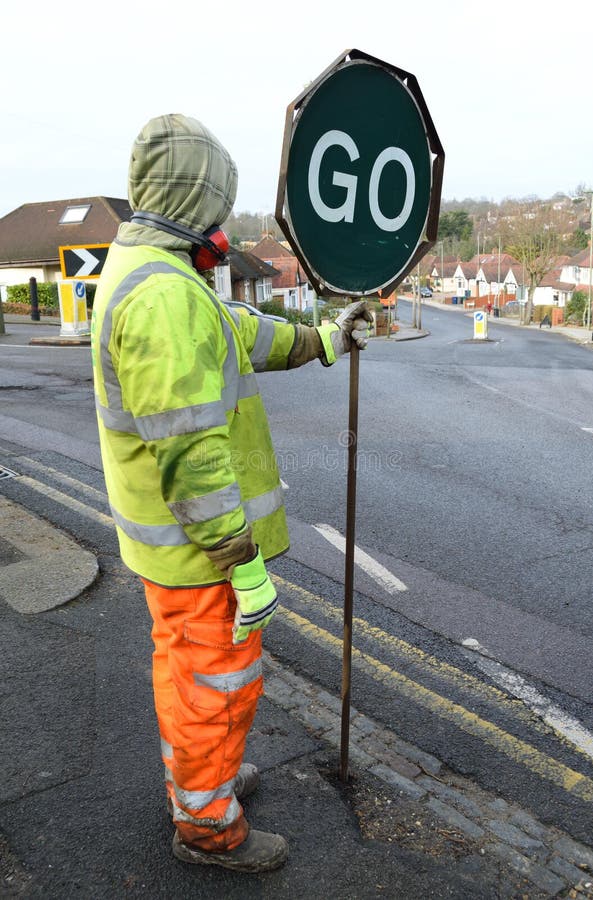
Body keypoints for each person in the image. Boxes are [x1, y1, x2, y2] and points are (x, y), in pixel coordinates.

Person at [90, 113, 372, 874]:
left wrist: (323, 338)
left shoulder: (155, 272)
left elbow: (240, 332)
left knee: (188, 675)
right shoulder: (165, 297)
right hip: (201, 556)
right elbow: (192, 453)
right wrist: (241, 562)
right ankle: (208, 827)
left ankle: (201, 785)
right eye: (217, 204)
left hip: (174, 550)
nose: (221, 223)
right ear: (195, 197)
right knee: (216, 683)